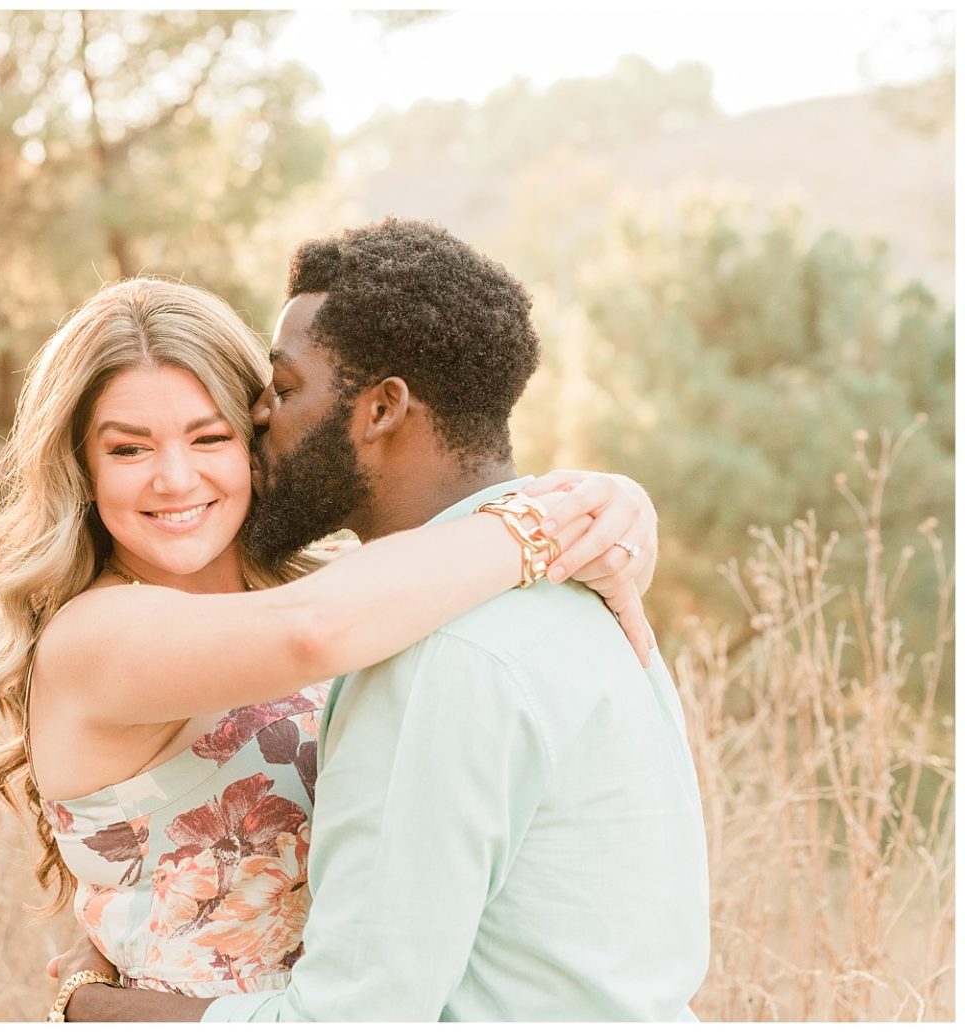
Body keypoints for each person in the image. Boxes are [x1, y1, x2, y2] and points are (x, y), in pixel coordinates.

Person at [44, 220, 710, 1021]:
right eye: (127, 449)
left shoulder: (412, 619)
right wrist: (547, 518)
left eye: (219, 431)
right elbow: (310, 630)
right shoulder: (103, 636)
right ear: (79, 466)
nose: (177, 477)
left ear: (382, 408)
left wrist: (100, 1010)